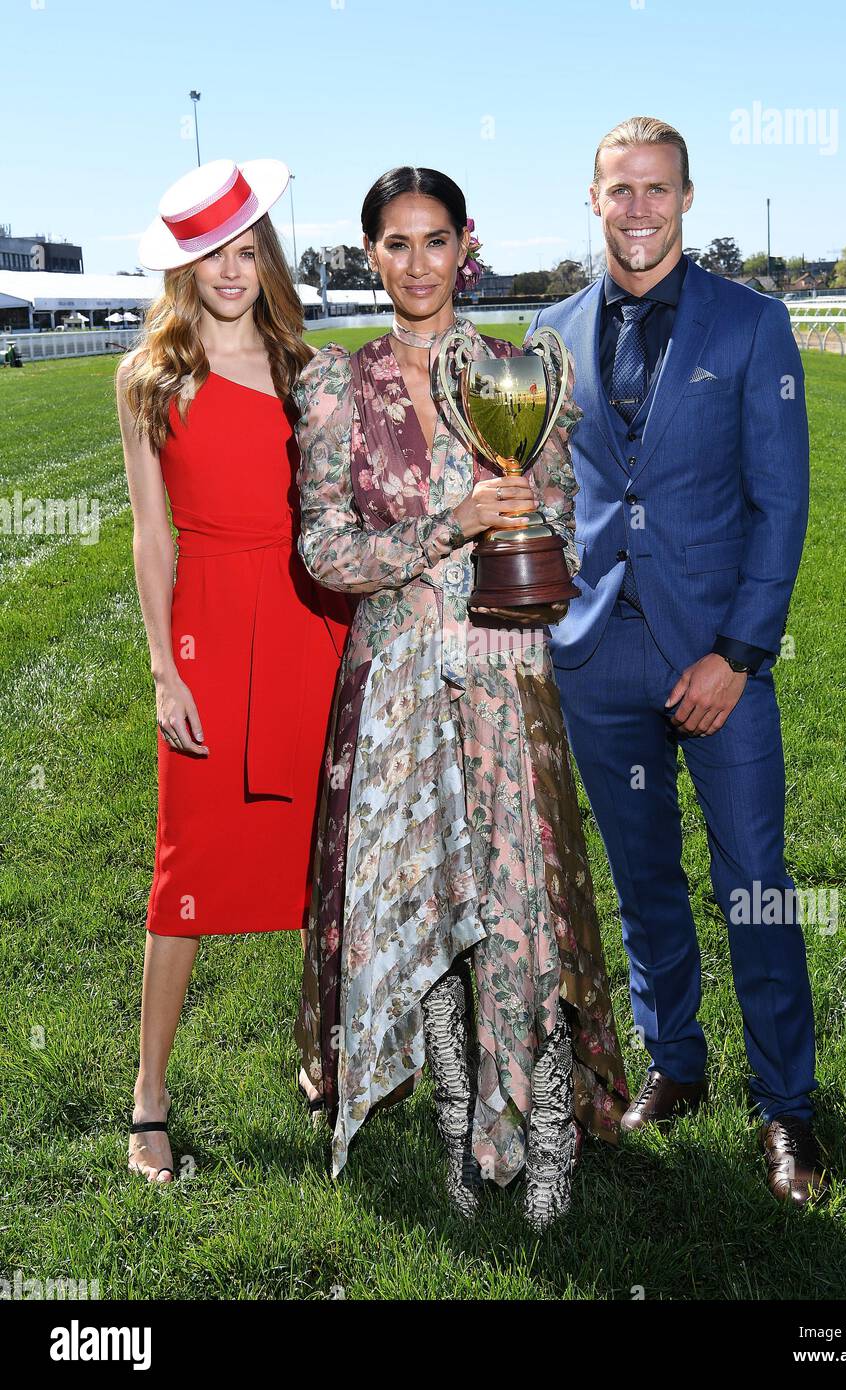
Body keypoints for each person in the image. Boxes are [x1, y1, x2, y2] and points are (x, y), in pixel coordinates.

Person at [293, 166, 628, 1230]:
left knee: (519, 907)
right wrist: (453, 524)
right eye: (395, 244)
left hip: (502, 675)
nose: (417, 263)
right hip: (395, 688)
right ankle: (452, 1133)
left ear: (465, 245)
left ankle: (539, 1138)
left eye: (435, 240)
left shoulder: (519, 371)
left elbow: (568, 523)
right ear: (370, 256)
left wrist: (532, 516)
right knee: (428, 908)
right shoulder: (337, 386)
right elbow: (325, 551)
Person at [526, 117, 827, 1205]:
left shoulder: (753, 327)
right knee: (645, 876)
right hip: (598, 652)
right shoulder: (549, 335)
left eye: (657, 188)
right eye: (620, 188)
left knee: (755, 883)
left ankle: (787, 1108)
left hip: (720, 662)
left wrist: (737, 654)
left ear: (689, 199)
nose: (638, 207)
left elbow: (781, 504)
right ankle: (678, 1061)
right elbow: (550, 495)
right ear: (592, 198)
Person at [116, 159, 349, 1183]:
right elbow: (150, 538)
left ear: (268, 256)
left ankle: (322, 1051)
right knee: (188, 872)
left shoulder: (309, 366)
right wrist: (166, 667)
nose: (230, 270)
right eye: (209, 253)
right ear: (182, 267)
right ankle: (148, 1098)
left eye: (246, 249)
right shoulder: (149, 381)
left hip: (314, 622)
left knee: (326, 859)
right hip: (210, 624)